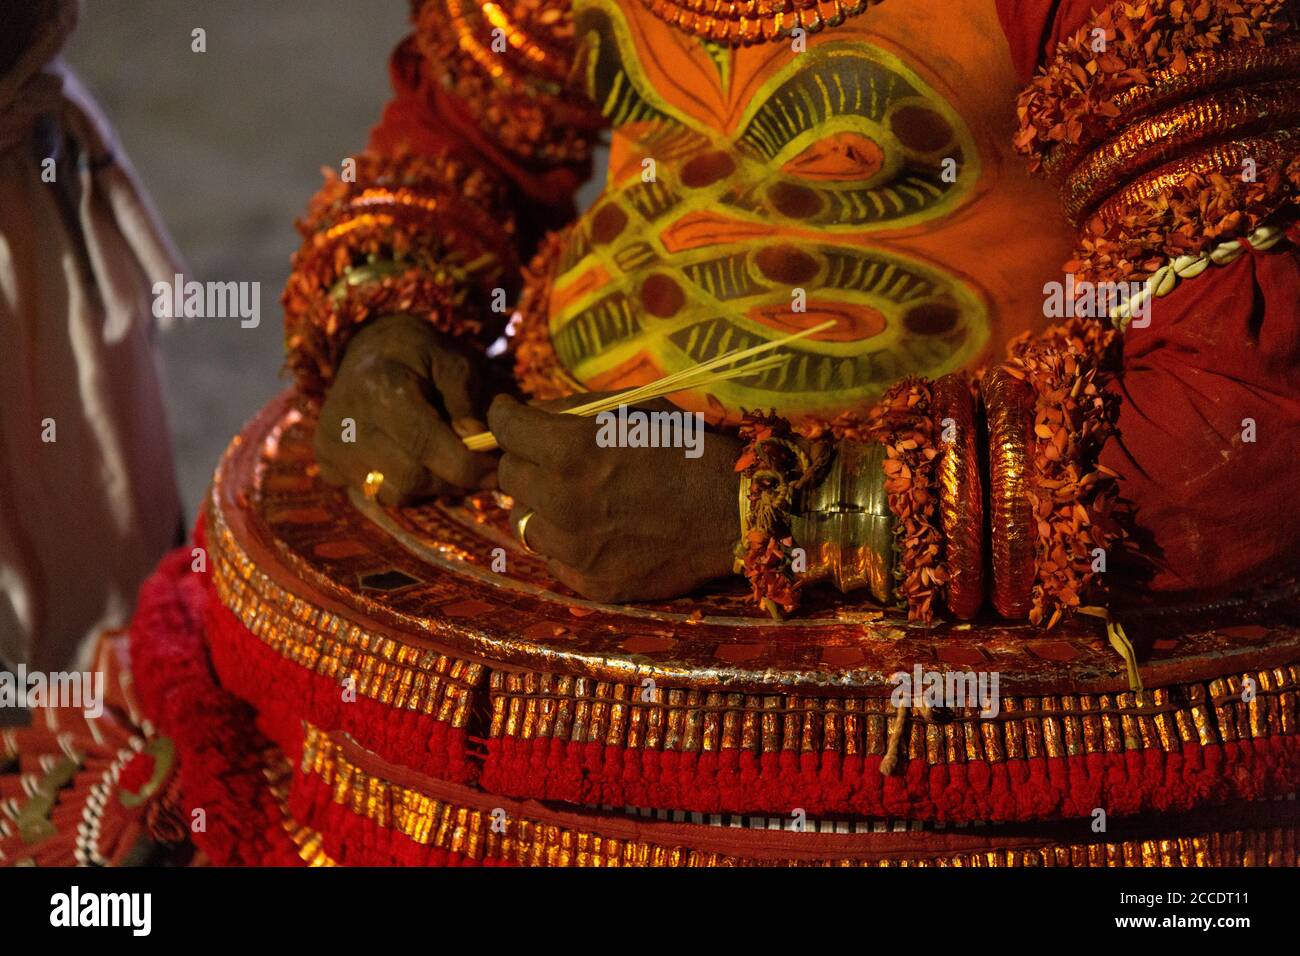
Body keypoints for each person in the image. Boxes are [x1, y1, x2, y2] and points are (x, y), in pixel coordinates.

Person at [0, 0, 183, 672]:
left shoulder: (50, 116)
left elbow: (115, 186)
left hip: (60, 283)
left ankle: (112, 638)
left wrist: (166, 279)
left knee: (90, 450)